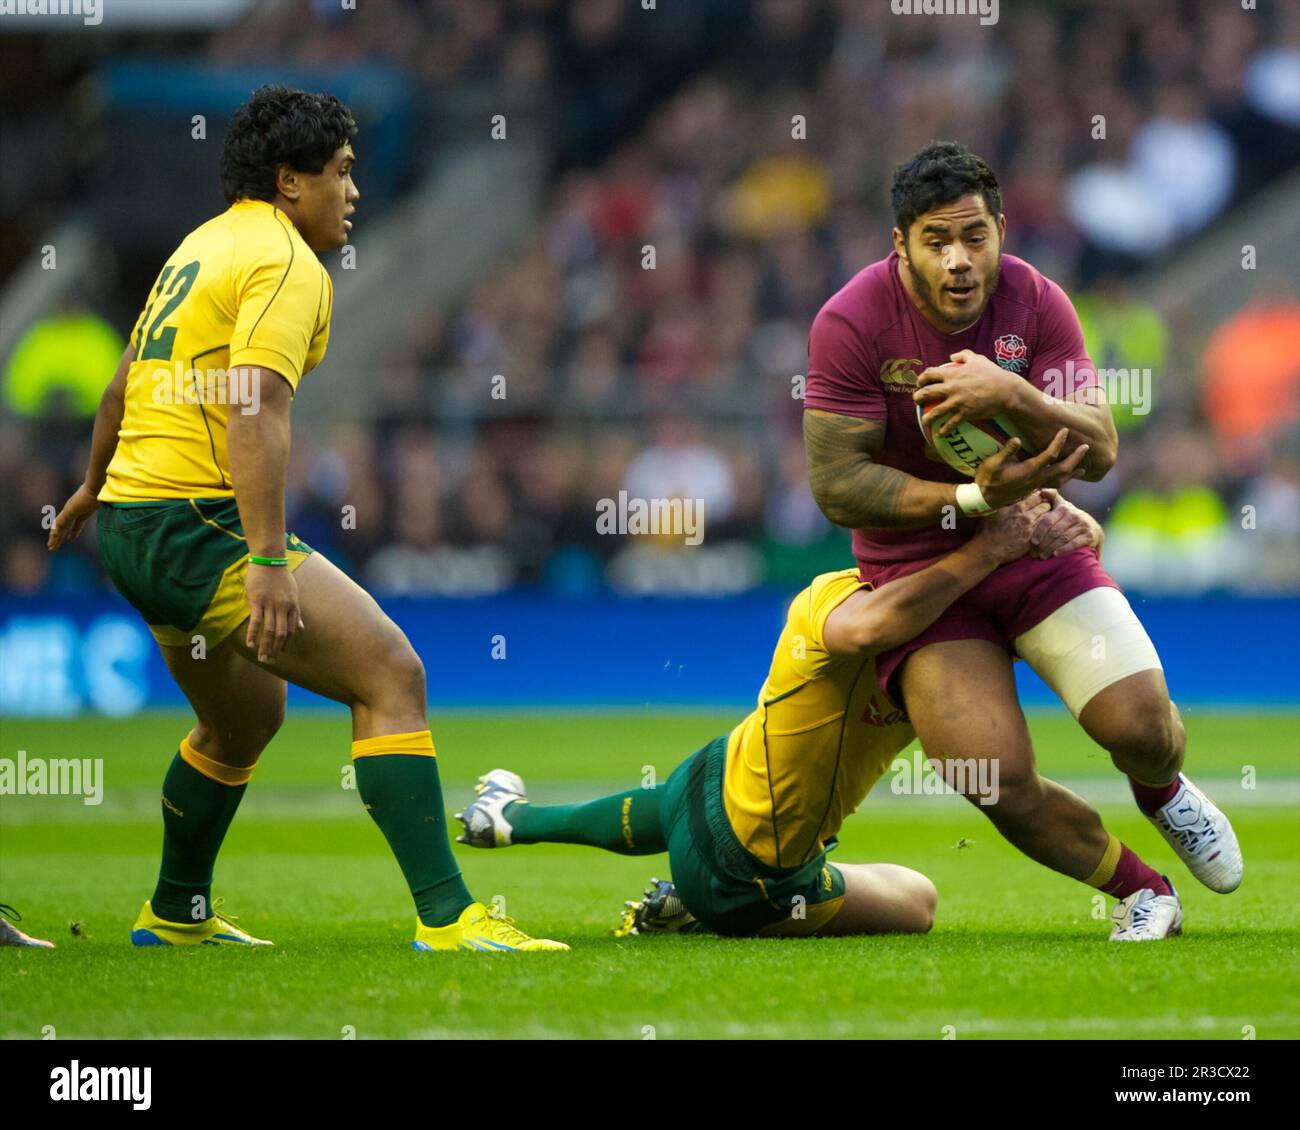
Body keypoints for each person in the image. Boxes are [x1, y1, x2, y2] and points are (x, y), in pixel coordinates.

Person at [46, 85, 564, 954]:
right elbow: (253, 406)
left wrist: (93, 487)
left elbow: (120, 384)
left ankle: (175, 911)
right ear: (292, 182)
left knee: (244, 719)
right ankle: (449, 918)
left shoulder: (198, 249)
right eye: (343, 172)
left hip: (133, 526)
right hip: (196, 523)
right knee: (392, 674)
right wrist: (266, 560)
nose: (354, 191)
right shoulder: (286, 261)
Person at [800, 141, 1241, 941]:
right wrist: (973, 498)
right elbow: (836, 485)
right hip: (925, 579)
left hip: (1038, 546)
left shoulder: (1038, 303)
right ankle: (1146, 892)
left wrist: (1013, 393)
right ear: (900, 245)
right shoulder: (851, 322)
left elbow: (1101, 450)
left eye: (975, 236)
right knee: (991, 775)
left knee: (1140, 729)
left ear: (1000, 228)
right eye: (937, 240)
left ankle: (1163, 791)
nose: (960, 260)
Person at [457, 493, 1172, 941]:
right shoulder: (839, 605)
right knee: (918, 900)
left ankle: (509, 818)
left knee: (673, 805)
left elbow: (1044, 629)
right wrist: (993, 549)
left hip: (708, 780)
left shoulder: (946, 639)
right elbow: (872, 629)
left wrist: (1072, 549)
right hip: (752, 877)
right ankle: (695, 906)